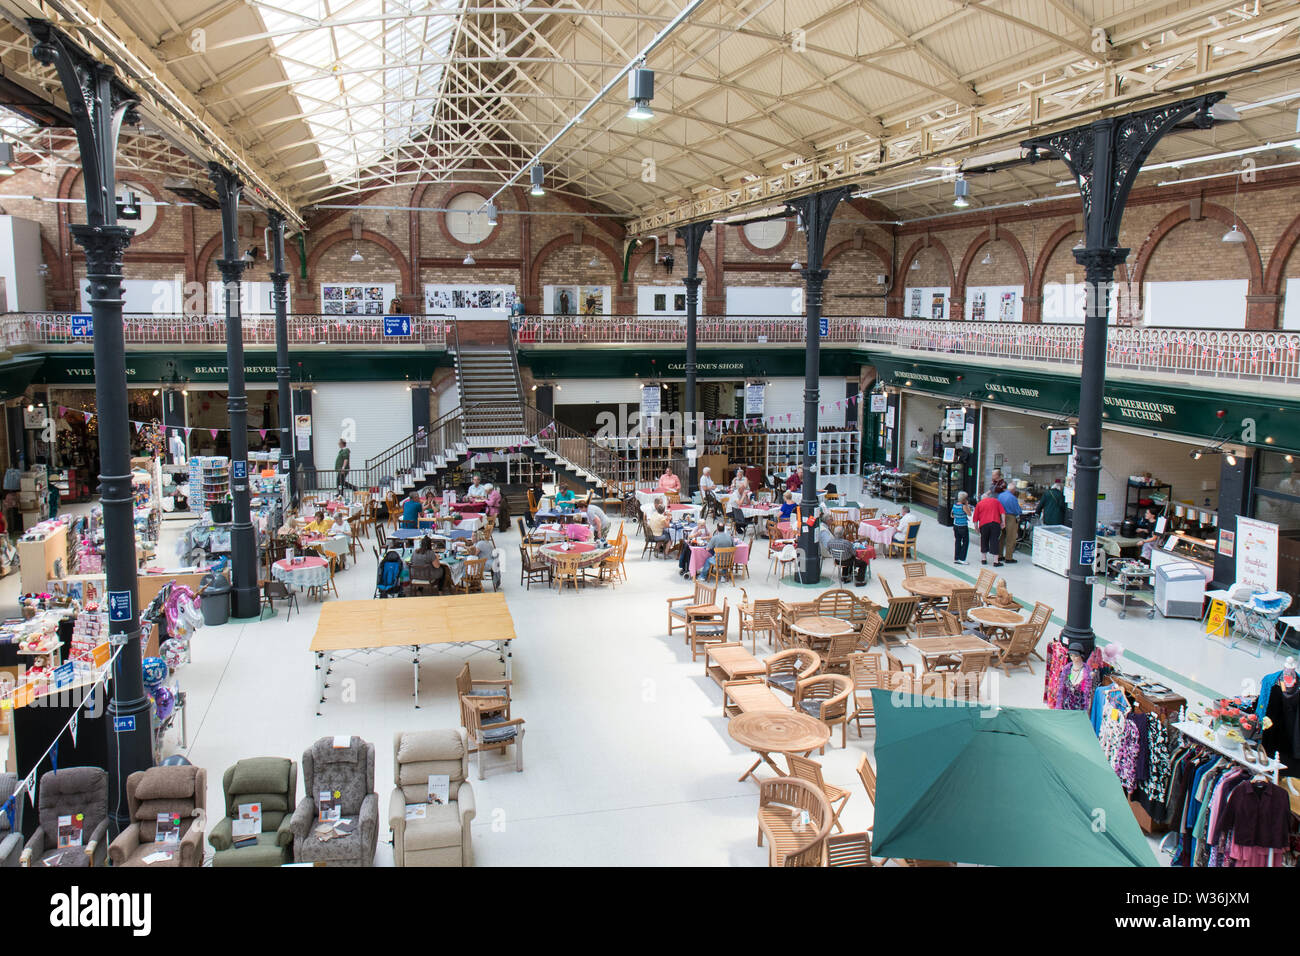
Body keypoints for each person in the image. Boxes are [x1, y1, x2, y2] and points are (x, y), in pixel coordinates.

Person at [972, 488, 1006, 567]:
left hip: (984, 525)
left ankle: (984, 559)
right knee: (994, 540)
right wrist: (1003, 522)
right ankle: (995, 561)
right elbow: (1002, 512)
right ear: (988, 497)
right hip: (995, 523)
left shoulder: (979, 504)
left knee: (984, 540)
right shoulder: (996, 501)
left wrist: (976, 527)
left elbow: (975, 518)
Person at [997, 486, 1023, 564]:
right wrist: (1020, 512)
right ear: (1013, 490)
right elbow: (1017, 510)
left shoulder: (1001, 495)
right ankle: (1008, 557)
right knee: (1011, 537)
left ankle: (999, 555)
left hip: (1001, 516)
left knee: (1001, 537)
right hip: (1010, 517)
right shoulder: (1013, 498)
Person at [951, 490, 972, 565]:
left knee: (957, 541)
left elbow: (952, 515)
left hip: (956, 525)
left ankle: (956, 558)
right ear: (964, 499)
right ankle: (962, 558)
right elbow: (969, 514)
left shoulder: (955, 505)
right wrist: (967, 505)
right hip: (963, 526)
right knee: (965, 542)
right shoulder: (963, 506)